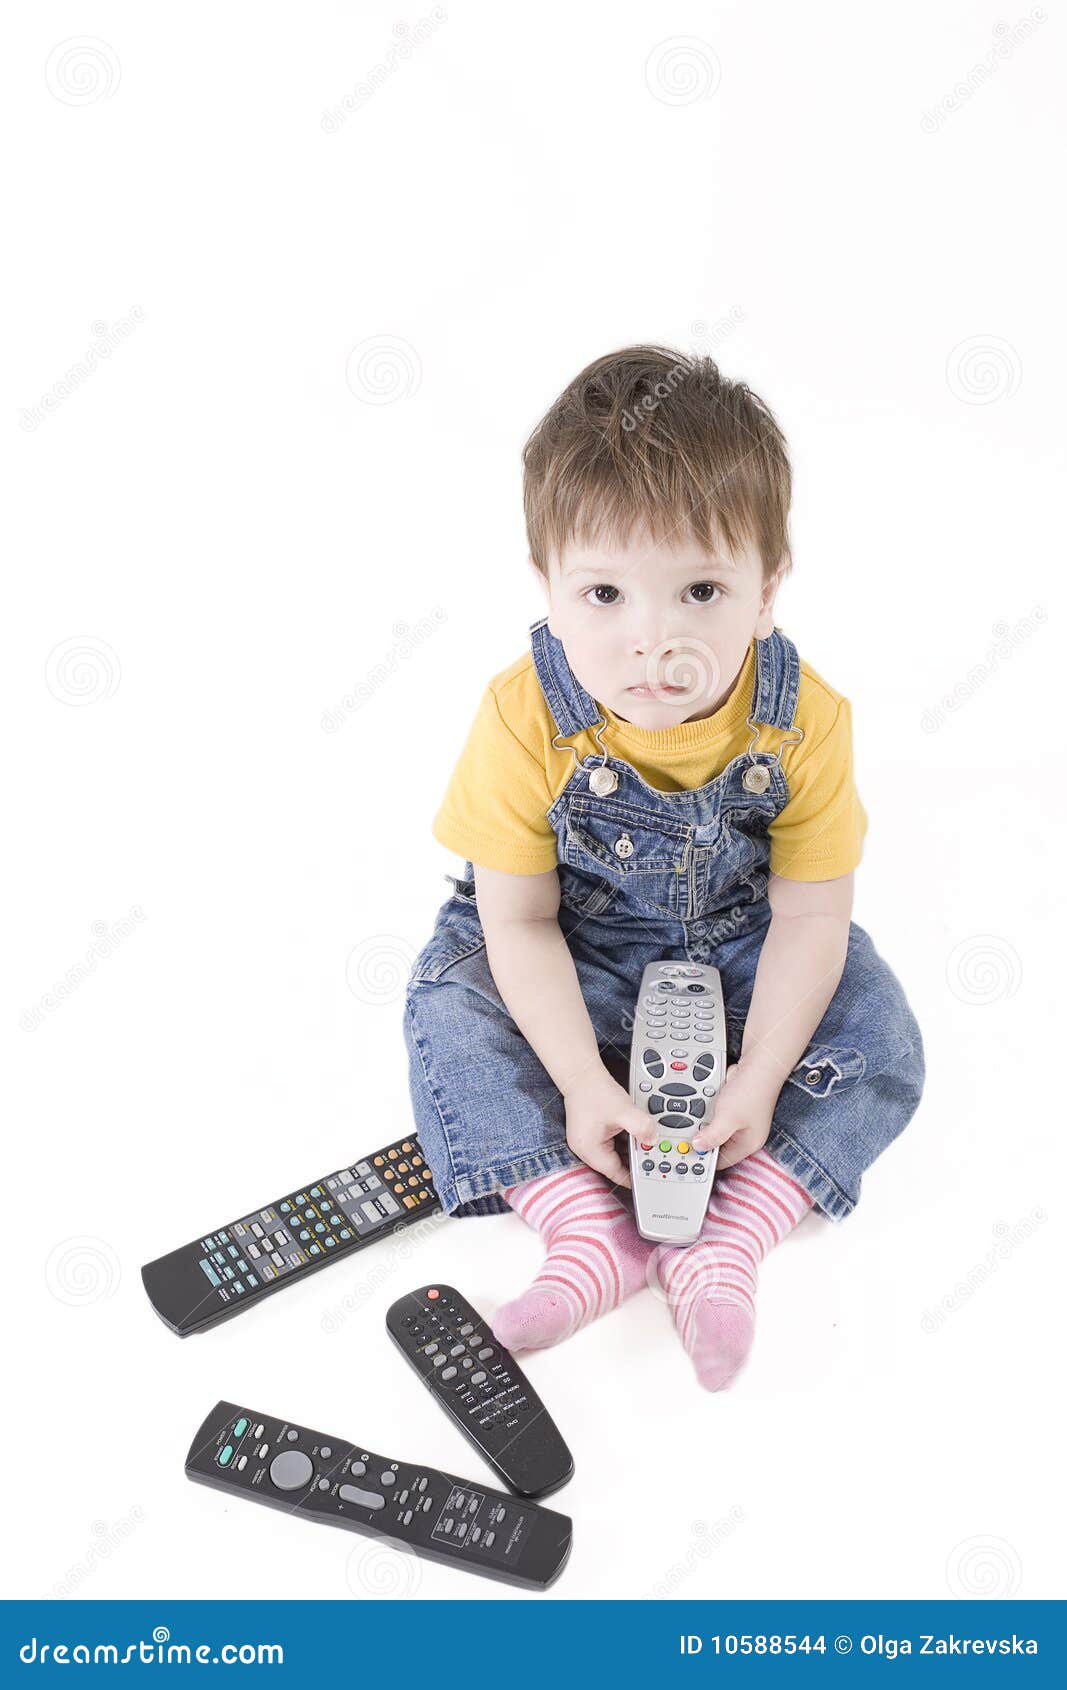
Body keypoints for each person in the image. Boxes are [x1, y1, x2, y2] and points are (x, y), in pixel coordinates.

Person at [403, 345, 924, 1389]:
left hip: (742, 941)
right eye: (601, 593)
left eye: (698, 589)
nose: (651, 641)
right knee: (446, 1007)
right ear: (545, 586)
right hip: (567, 948)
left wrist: (762, 1077)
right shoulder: (522, 717)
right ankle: (586, 1228)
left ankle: (734, 1228)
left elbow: (811, 917)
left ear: (766, 587)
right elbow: (516, 923)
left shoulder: (802, 719)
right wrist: (578, 1082)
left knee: (876, 1026)